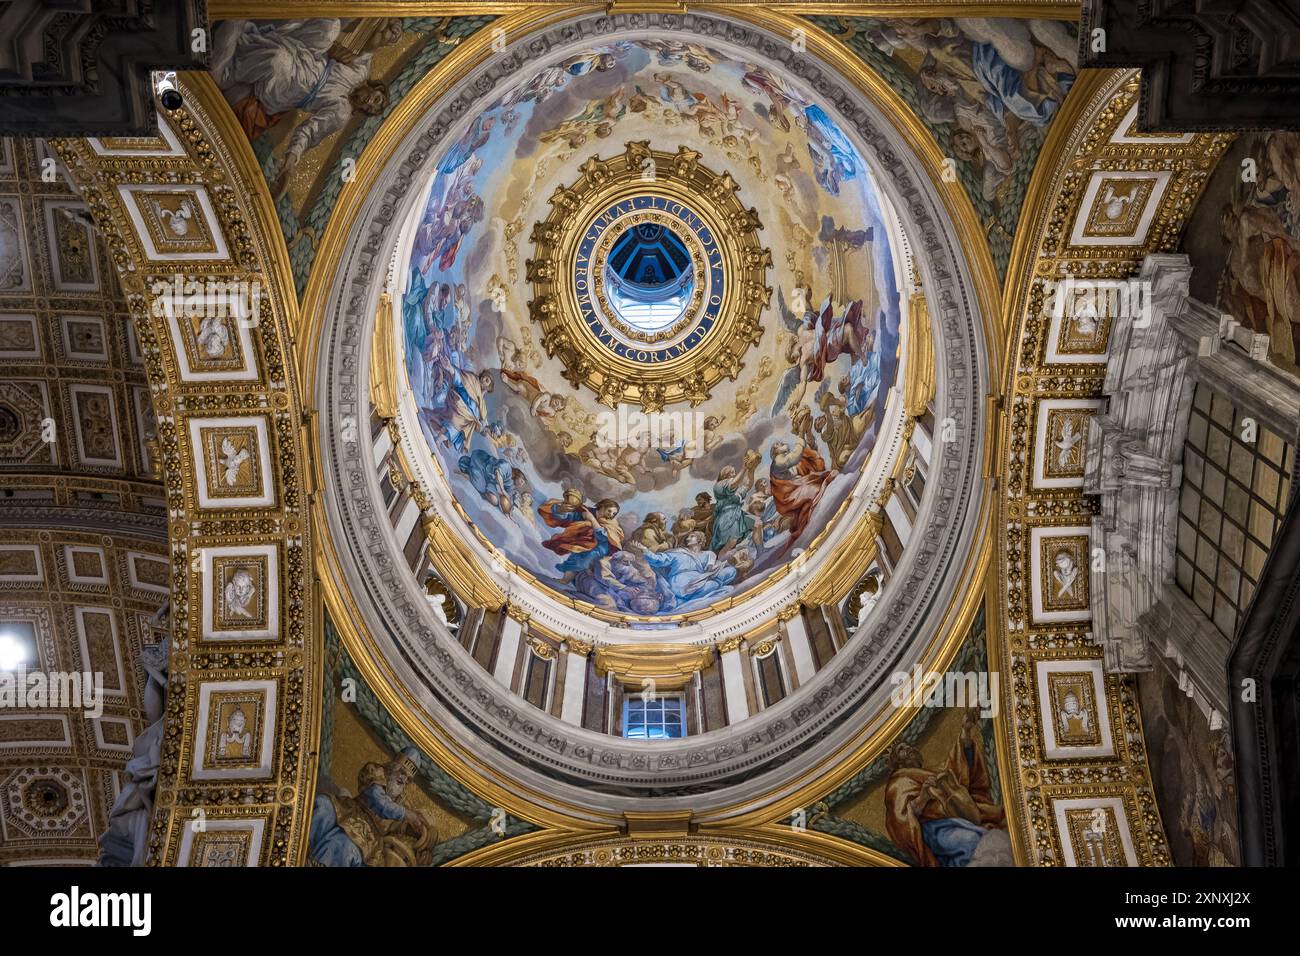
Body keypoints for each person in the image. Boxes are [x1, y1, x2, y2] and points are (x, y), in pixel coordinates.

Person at [883, 710, 1005, 867]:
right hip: (933, 829)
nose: (907, 749)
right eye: (901, 749)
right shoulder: (898, 782)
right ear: (896, 761)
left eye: (907, 746)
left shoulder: (932, 771)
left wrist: (965, 732)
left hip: (957, 818)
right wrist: (923, 798)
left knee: (984, 838)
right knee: (971, 841)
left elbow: (958, 771)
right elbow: (900, 821)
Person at [308, 747, 437, 867]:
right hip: (350, 810)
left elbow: (402, 831)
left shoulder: (402, 803)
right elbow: (379, 801)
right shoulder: (376, 772)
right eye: (402, 772)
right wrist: (407, 814)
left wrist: (421, 835)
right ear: (394, 766)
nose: (403, 779)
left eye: (408, 779)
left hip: (368, 837)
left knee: (343, 846)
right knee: (323, 805)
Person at [538, 491, 624, 584]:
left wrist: (592, 519)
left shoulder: (611, 523)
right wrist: (562, 510)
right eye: (609, 511)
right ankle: (566, 579)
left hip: (600, 546)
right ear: (602, 506)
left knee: (584, 558)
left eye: (614, 513)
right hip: (584, 540)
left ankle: (567, 580)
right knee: (574, 555)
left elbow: (603, 537)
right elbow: (571, 516)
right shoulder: (588, 511)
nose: (611, 515)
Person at [769, 439, 837, 550]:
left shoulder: (782, 458)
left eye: (779, 442)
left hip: (794, 486)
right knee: (811, 489)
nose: (779, 442)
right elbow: (792, 459)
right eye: (776, 444)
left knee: (811, 475)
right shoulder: (778, 461)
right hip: (789, 495)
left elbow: (793, 469)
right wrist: (800, 439)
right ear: (775, 451)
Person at [642, 531, 736, 609]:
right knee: (713, 584)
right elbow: (659, 560)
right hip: (681, 582)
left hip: (701, 578)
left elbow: (710, 568)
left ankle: (686, 599)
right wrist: (645, 551)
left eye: (692, 536)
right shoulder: (679, 552)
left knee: (731, 571)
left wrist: (712, 569)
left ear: (700, 539)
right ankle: (685, 599)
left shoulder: (708, 554)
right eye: (688, 537)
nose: (687, 539)